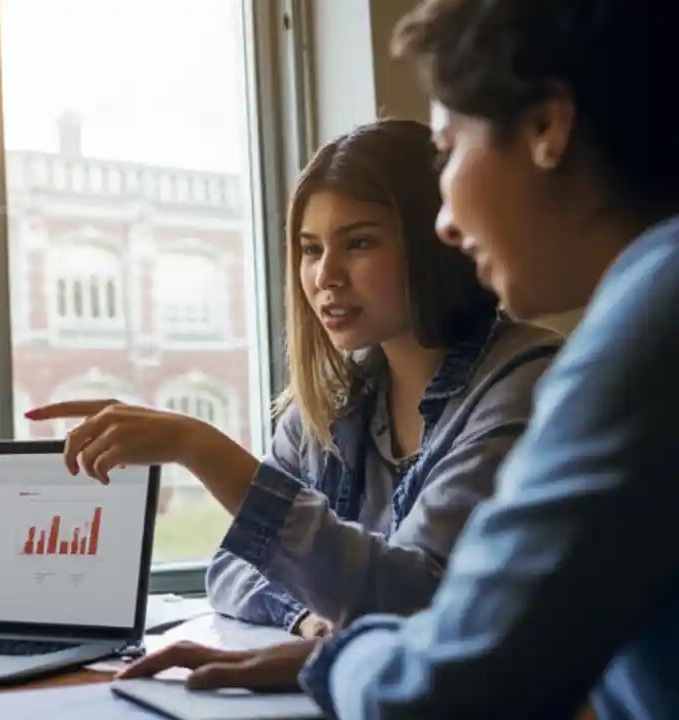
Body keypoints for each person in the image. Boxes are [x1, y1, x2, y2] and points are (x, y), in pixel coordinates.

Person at [123, 0, 679, 717]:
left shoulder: (640, 332)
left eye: (449, 151)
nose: (446, 221)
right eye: (311, 248)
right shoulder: (651, 299)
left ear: (546, 128)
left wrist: (342, 652)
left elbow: (450, 684)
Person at [30, 119, 559, 648]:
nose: (325, 275)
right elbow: (231, 570)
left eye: (359, 242)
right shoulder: (331, 403)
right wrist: (304, 616)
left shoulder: (522, 384)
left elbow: (417, 598)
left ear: (433, 241)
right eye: (310, 249)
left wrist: (199, 448)